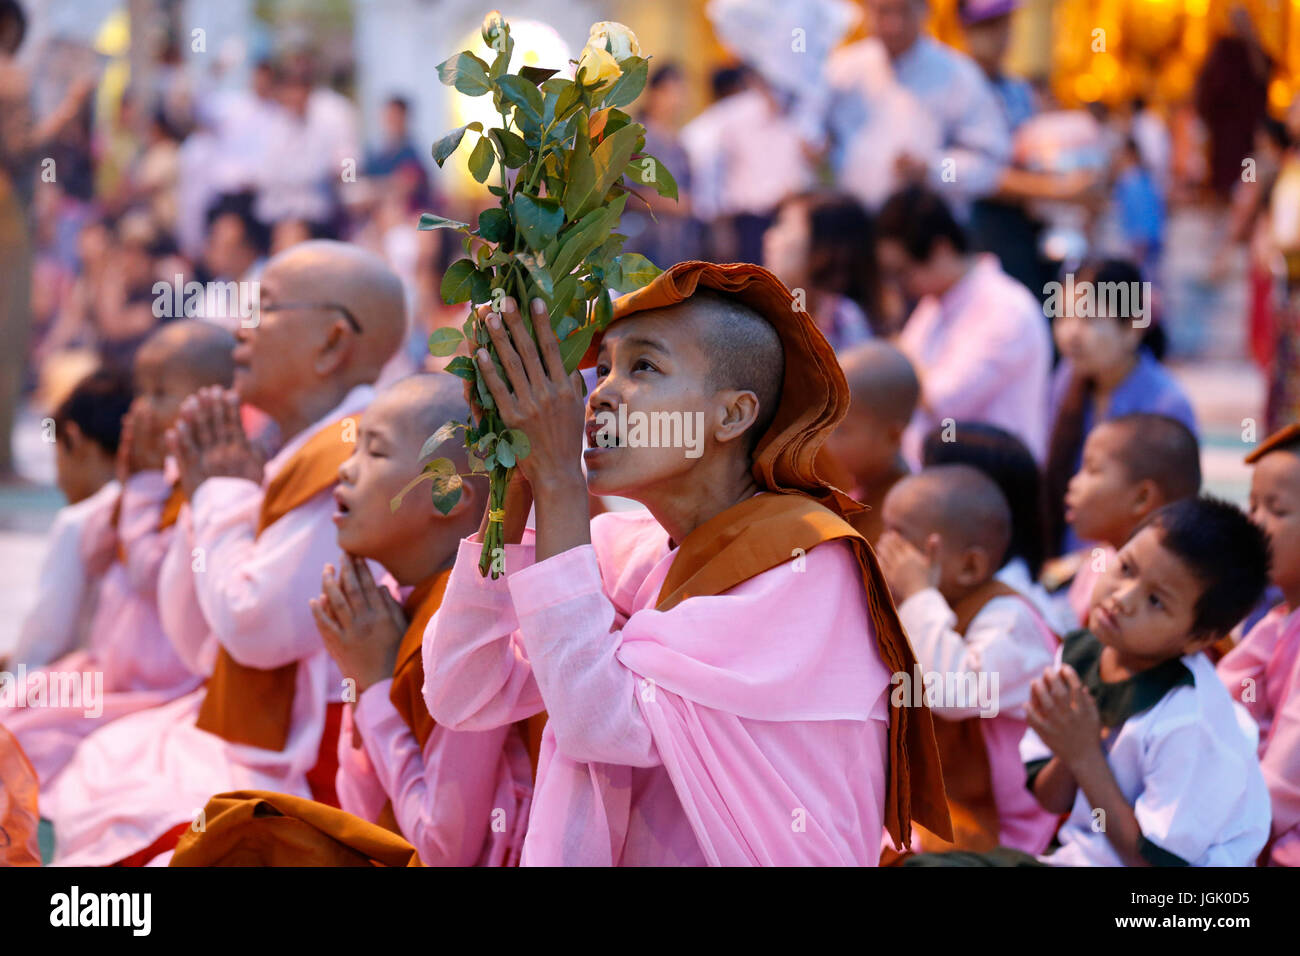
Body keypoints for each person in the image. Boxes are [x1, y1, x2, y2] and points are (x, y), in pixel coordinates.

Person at [424, 261, 951, 865]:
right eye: (603, 369)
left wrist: (559, 481)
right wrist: (515, 482)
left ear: (732, 415)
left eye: (643, 367)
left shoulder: (804, 566)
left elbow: (596, 721)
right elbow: (462, 692)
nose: (600, 396)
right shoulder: (626, 548)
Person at [40, 241, 407, 866]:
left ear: (332, 342)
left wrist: (219, 494)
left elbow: (254, 628)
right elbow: (198, 638)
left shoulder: (354, 457)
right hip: (250, 726)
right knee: (106, 767)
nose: (242, 327)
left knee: (141, 831)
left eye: (265, 307)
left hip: (315, 759)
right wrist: (195, 490)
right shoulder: (288, 446)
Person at [169, 376, 535, 866]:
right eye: (355, 447)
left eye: (375, 454)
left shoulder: (476, 630)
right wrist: (368, 685)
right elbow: (363, 817)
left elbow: (446, 852)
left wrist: (374, 686)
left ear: (449, 492)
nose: (345, 469)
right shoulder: (383, 606)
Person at [910, 496, 1273, 866]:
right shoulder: (1084, 653)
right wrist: (1069, 750)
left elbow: (1152, 862)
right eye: (1127, 568)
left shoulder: (1189, 722)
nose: (1122, 598)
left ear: (1198, 638)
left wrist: (1084, 754)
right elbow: (1051, 799)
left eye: (1155, 601)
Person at [1, 322, 234, 787]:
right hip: (107, 668)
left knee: (34, 741)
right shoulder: (157, 481)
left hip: (156, 684)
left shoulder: (201, 490)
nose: (143, 408)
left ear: (218, 402)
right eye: (142, 393)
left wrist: (143, 488)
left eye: (161, 393)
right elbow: (101, 558)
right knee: (19, 711)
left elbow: (152, 574)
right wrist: (131, 491)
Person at [876, 466, 1059, 855]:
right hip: (937, 789)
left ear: (970, 566)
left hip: (1005, 817)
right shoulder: (920, 604)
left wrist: (919, 592)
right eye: (885, 531)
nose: (885, 550)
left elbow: (952, 694)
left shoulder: (1013, 619)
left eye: (902, 540)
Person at [877, 185, 1051, 464]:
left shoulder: (1005, 308)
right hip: (940, 478)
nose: (900, 287)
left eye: (902, 273)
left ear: (941, 249)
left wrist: (897, 357)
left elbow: (940, 401)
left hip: (991, 487)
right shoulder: (935, 302)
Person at [1044, 259, 1194, 553]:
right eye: (1063, 317)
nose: (1070, 334)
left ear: (1132, 328)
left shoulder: (1166, 405)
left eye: (1088, 320)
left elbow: (1170, 518)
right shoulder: (1066, 380)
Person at [826, 0, 1010, 213]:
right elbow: (811, 139)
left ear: (925, 11)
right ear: (867, 12)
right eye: (883, 12)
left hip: (927, 232)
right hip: (855, 228)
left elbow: (988, 164)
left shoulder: (958, 76)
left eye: (904, 11)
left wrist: (933, 170)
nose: (893, 25)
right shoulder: (842, 70)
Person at [4, 370, 130, 671]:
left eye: (56, 455)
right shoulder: (156, 504)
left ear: (73, 440)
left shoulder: (79, 522)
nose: (58, 479)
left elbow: (43, 645)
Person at [1218, 424, 1300, 866]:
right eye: (1252, 505)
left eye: (1275, 509)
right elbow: (1219, 703)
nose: (1253, 523)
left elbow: (1285, 788)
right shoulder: (1277, 619)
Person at [921, 421, 1071, 635]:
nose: (912, 492)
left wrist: (917, 596)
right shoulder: (964, 586)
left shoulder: (1008, 619)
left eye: (927, 484)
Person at [1056, 414, 1201, 632]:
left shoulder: (1174, 592)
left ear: (1142, 498)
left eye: (1091, 469)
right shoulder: (1098, 563)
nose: (1074, 483)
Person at [824, 340, 917, 543]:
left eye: (840, 430)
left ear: (893, 436)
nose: (822, 438)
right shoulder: (847, 477)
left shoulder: (895, 520)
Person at [763, 191, 885, 345]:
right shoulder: (786, 307)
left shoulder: (844, 318)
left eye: (784, 225)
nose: (769, 237)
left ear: (824, 248)